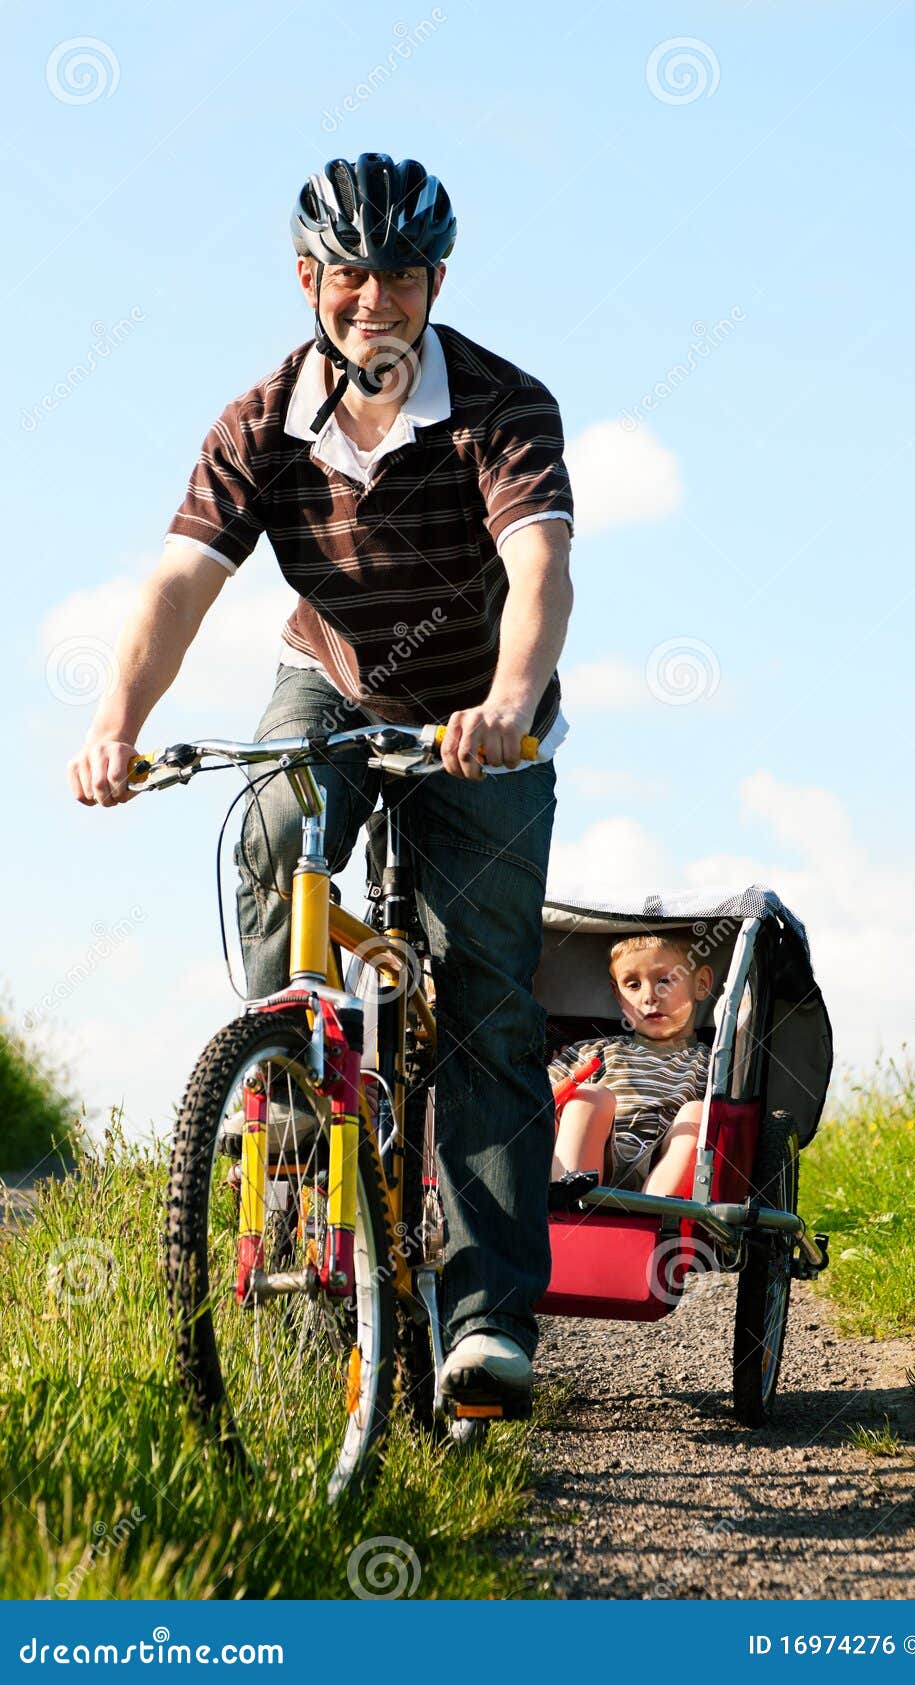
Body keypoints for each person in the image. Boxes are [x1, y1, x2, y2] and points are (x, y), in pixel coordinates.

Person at [67, 153, 574, 1418]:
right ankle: (292, 1073)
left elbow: (538, 566)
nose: (374, 300)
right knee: (272, 821)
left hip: (479, 718)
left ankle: (483, 1323)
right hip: (336, 681)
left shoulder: (503, 406)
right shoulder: (258, 423)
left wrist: (508, 705)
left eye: (400, 276)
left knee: (486, 1011)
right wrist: (117, 723)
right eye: (348, 274)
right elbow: (182, 584)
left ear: (434, 282)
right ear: (308, 279)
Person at [548, 932, 714, 1198]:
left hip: (665, 1161)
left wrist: (740, 1024)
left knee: (698, 1113)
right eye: (633, 985)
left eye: (664, 980)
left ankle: (659, 1214)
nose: (650, 996)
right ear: (617, 994)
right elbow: (539, 1102)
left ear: (701, 984)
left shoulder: (712, 1060)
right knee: (589, 1096)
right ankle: (567, 1199)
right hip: (597, 1155)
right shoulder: (595, 1050)